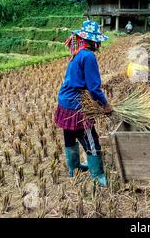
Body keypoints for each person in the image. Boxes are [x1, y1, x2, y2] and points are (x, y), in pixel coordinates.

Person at [54, 20, 113, 187]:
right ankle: (98, 175)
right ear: (93, 41)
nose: (100, 44)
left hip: (65, 100)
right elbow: (94, 88)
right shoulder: (88, 56)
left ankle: (74, 169)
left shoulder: (78, 53)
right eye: (98, 41)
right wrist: (105, 105)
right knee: (91, 139)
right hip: (76, 105)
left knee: (70, 137)